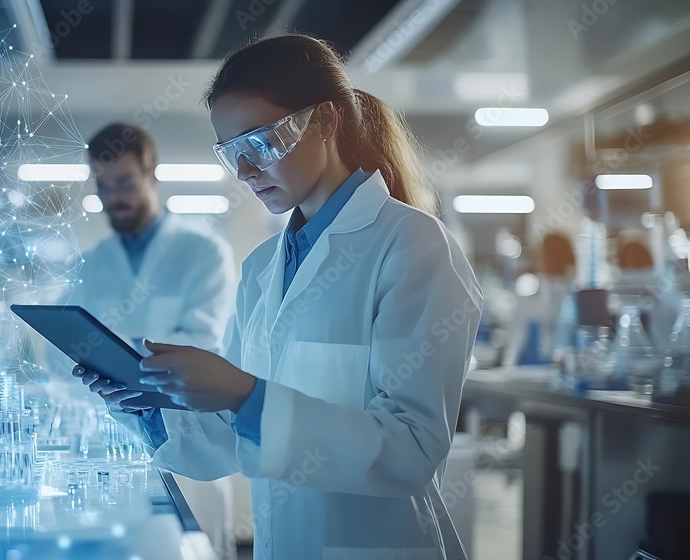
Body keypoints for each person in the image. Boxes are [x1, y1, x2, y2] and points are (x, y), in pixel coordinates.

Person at [75, 35, 483, 559]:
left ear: (326, 121)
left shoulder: (413, 246)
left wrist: (244, 393)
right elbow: (233, 439)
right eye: (232, 153)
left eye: (260, 143)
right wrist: (142, 406)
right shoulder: (263, 268)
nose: (245, 171)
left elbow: (411, 448)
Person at [58, 122, 240, 560]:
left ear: (151, 176)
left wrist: (110, 349)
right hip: (119, 442)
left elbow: (205, 343)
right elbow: (56, 349)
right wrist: (105, 351)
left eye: (125, 182)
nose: (114, 197)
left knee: (193, 548)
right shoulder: (92, 263)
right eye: (104, 186)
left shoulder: (203, 253)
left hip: (194, 439)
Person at [503, 232, 576, 366]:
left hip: (536, 364)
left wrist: (509, 364)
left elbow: (515, 336)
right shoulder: (571, 290)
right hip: (544, 362)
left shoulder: (534, 288)